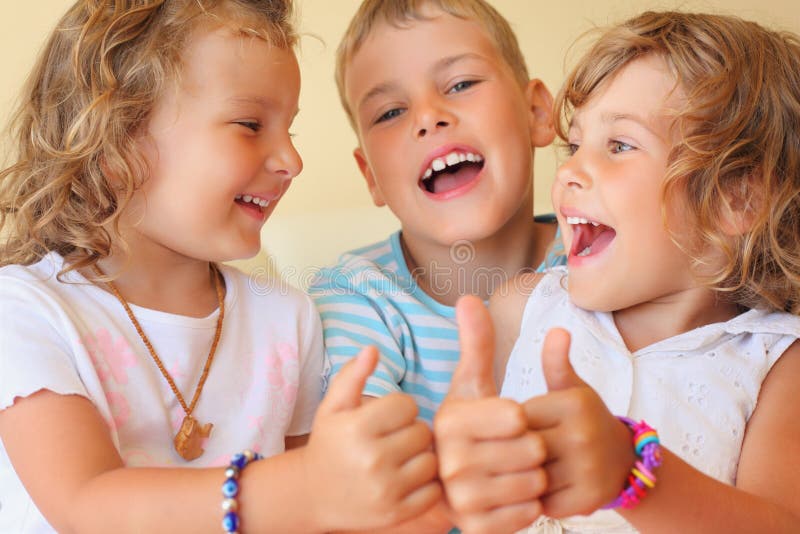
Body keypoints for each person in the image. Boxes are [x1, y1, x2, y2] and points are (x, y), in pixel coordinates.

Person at [0, 1, 441, 532]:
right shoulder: (25, 310)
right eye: (250, 125)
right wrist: (308, 485)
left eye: (290, 130)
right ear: (116, 140)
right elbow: (87, 505)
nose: (291, 161)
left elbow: (323, 514)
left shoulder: (287, 317)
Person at [434, 10, 800, 534]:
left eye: (620, 145)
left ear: (734, 198)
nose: (568, 171)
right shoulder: (523, 308)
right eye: (574, 145)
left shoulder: (777, 362)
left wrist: (632, 472)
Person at [308, 0, 564, 426]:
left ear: (536, 112)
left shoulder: (604, 257)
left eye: (461, 84)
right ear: (371, 175)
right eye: (391, 112)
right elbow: (367, 448)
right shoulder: (357, 297)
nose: (428, 117)